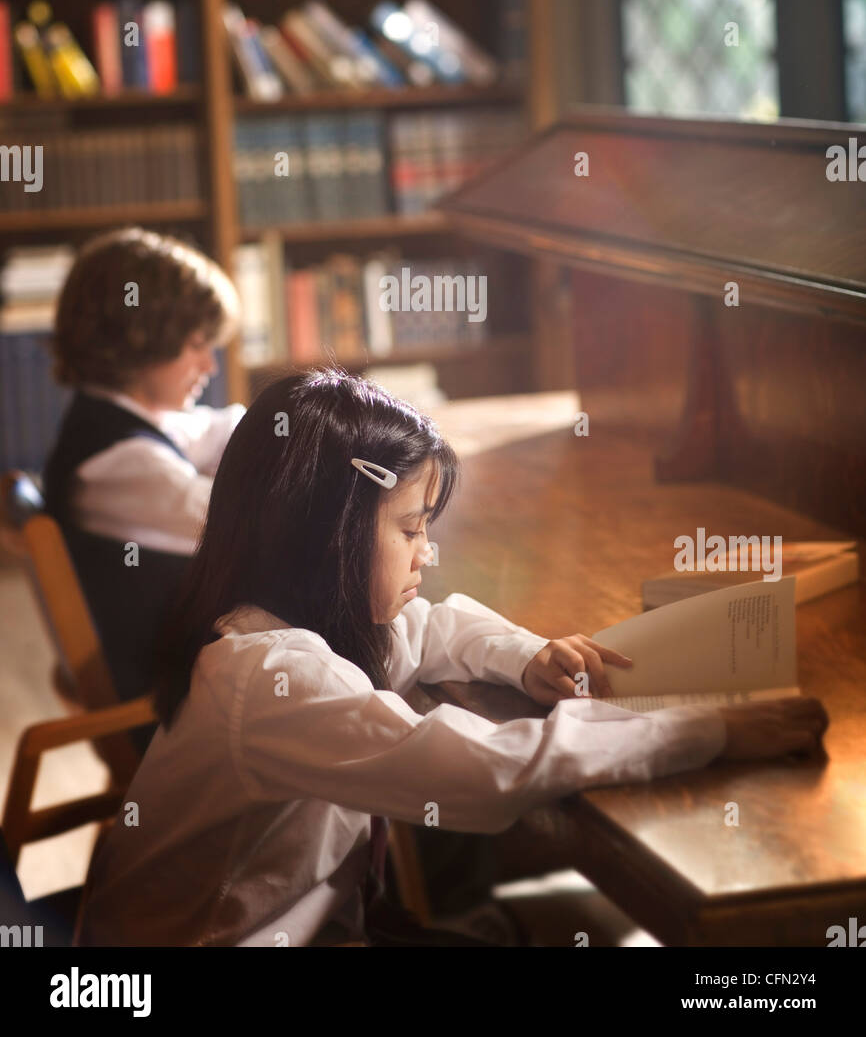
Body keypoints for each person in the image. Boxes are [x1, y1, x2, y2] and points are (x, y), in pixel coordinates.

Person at [75, 367, 829, 948]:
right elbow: (487, 773)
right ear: (324, 536)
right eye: (409, 530)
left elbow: (432, 628)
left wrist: (526, 656)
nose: (427, 556)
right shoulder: (274, 678)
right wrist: (710, 730)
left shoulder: (292, 622)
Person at [43, 228, 243, 703]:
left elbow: (221, 428)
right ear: (139, 341)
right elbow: (250, 519)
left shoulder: (122, 423)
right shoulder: (119, 464)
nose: (210, 366)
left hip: (186, 689)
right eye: (196, 344)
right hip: (176, 718)